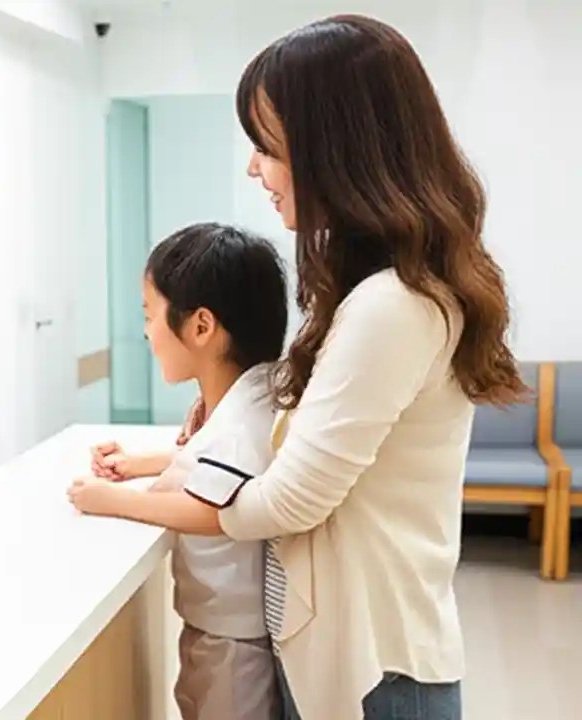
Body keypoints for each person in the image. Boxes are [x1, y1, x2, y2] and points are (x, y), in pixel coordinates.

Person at [80, 14, 527, 720]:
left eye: (267, 147)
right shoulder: (381, 291)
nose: (254, 169)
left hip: (373, 665)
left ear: (334, 150)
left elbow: (285, 500)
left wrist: (129, 501)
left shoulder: (393, 306)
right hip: (349, 651)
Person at [68, 222, 289, 720]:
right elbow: (214, 466)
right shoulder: (246, 397)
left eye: (150, 315)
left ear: (201, 326)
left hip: (234, 639)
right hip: (220, 626)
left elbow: (215, 507)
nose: (146, 332)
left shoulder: (242, 419)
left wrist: (112, 500)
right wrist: (140, 465)